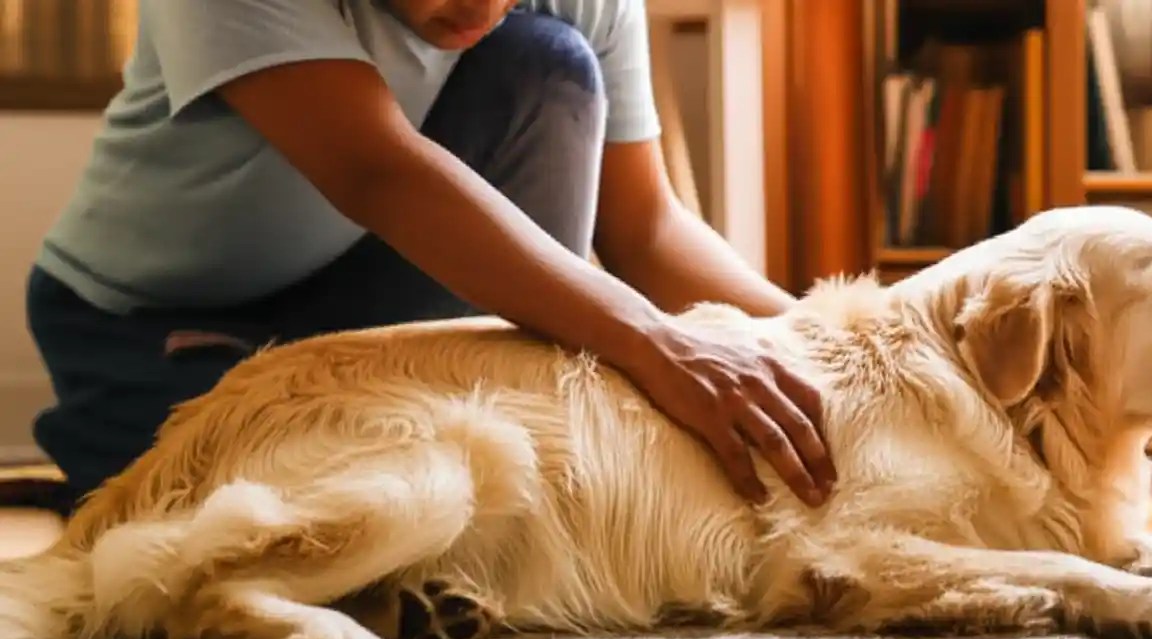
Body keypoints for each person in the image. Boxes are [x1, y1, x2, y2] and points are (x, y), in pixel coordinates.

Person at [25, 0, 836, 516]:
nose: (485, 4)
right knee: (271, 519)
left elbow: (649, 230)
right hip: (153, 323)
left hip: (371, 280)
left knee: (545, 63)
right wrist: (650, 341)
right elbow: (374, 171)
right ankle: (103, 436)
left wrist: (833, 347)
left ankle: (502, 436)